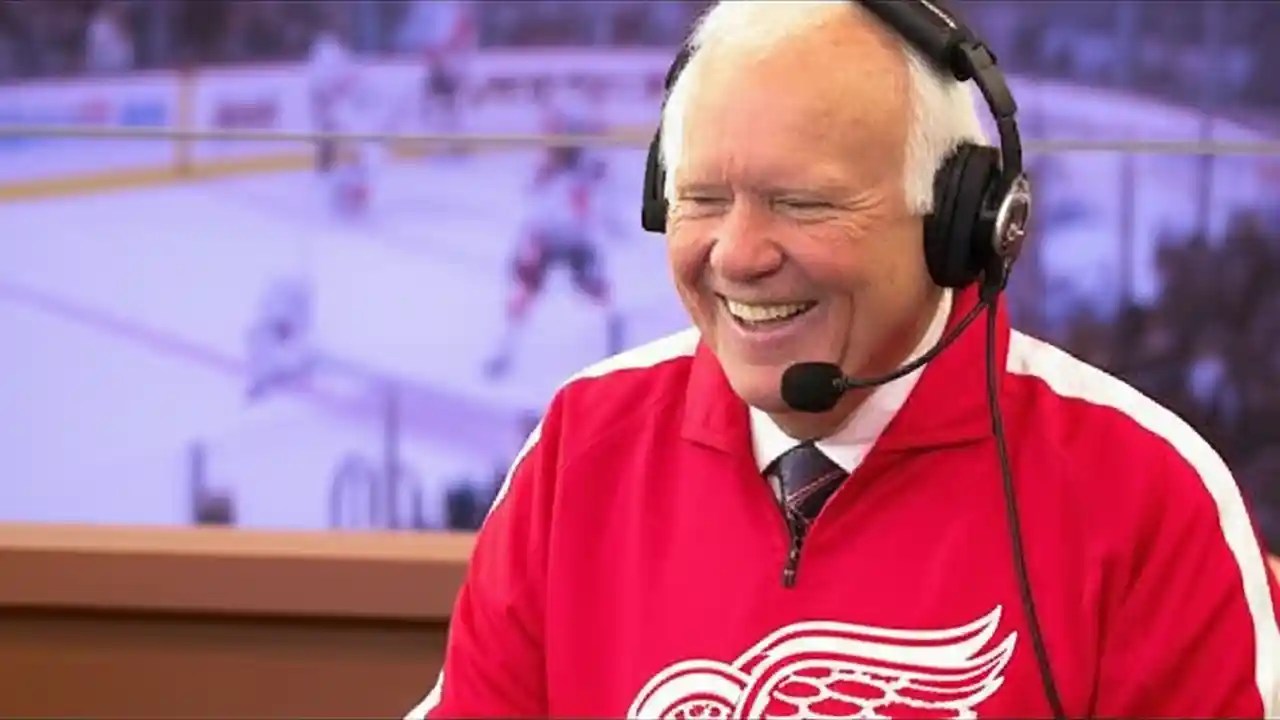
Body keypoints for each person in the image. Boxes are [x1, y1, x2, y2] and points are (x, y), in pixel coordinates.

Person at [408, 2, 1280, 718]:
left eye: (804, 204)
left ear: (958, 222)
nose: (739, 254)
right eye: (702, 199)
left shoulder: (1149, 499)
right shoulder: (581, 447)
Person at [483, 85, 625, 379]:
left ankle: (615, 331)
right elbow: (532, 193)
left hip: (576, 238)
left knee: (597, 290)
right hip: (545, 236)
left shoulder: (589, 164)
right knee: (524, 291)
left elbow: (599, 181)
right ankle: (505, 349)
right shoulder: (547, 165)